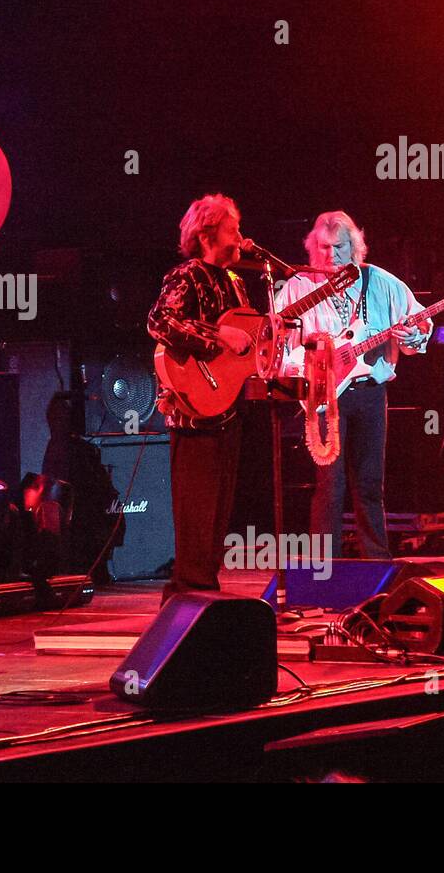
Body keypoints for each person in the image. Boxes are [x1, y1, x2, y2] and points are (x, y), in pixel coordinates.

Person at [275, 211, 430, 560]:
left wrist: (413, 333)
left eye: (339, 246)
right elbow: (277, 345)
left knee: (370, 482)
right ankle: (323, 567)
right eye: (323, 247)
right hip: (325, 394)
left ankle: (376, 564)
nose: (331, 255)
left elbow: (419, 326)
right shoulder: (300, 286)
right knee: (330, 486)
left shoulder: (381, 282)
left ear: (355, 246)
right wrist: (313, 370)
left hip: (371, 393)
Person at [147, 194, 253, 602]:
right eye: (232, 229)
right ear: (207, 234)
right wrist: (218, 334)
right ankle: (190, 594)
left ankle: (205, 588)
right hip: (194, 409)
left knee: (220, 510)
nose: (240, 237)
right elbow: (160, 320)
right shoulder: (187, 275)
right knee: (197, 509)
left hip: (227, 405)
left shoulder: (236, 281)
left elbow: (245, 344)